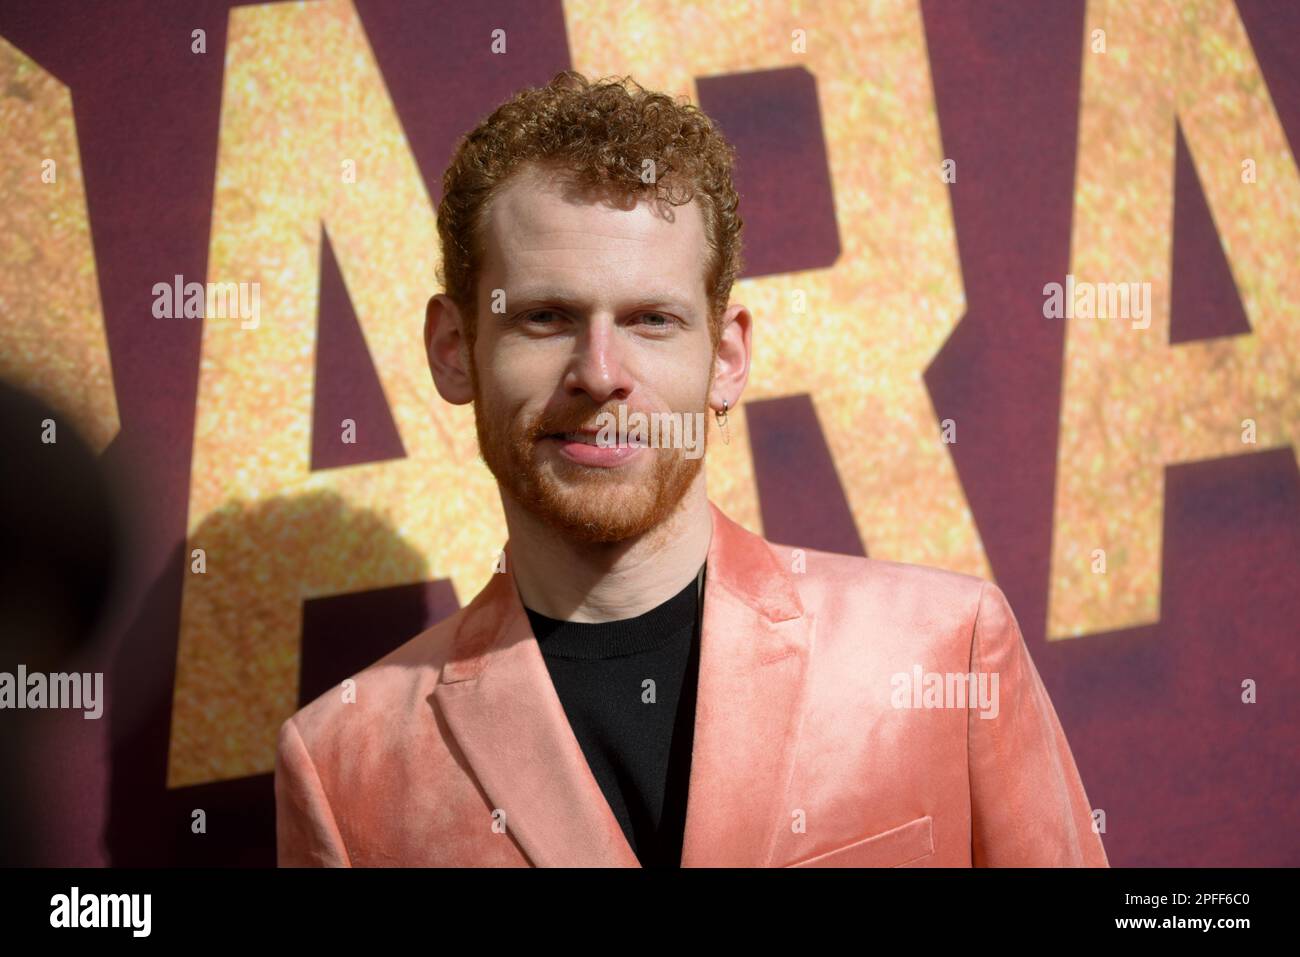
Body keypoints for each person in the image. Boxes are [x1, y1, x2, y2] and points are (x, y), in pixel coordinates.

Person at [274, 70, 1108, 868]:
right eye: (545, 316)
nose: (600, 371)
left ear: (728, 356)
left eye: (650, 319)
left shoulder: (943, 653)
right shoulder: (344, 764)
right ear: (455, 350)